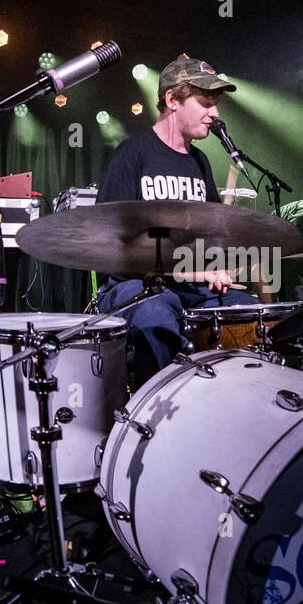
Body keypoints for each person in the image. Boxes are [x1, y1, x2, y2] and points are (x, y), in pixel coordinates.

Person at [95, 55, 256, 385]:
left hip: (192, 286)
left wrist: (217, 265)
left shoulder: (200, 163)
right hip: (135, 286)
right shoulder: (132, 154)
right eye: (206, 102)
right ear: (172, 100)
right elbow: (113, 244)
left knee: (247, 312)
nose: (215, 114)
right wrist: (194, 270)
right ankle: (154, 421)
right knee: (156, 314)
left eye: (216, 104)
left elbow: (208, 235)